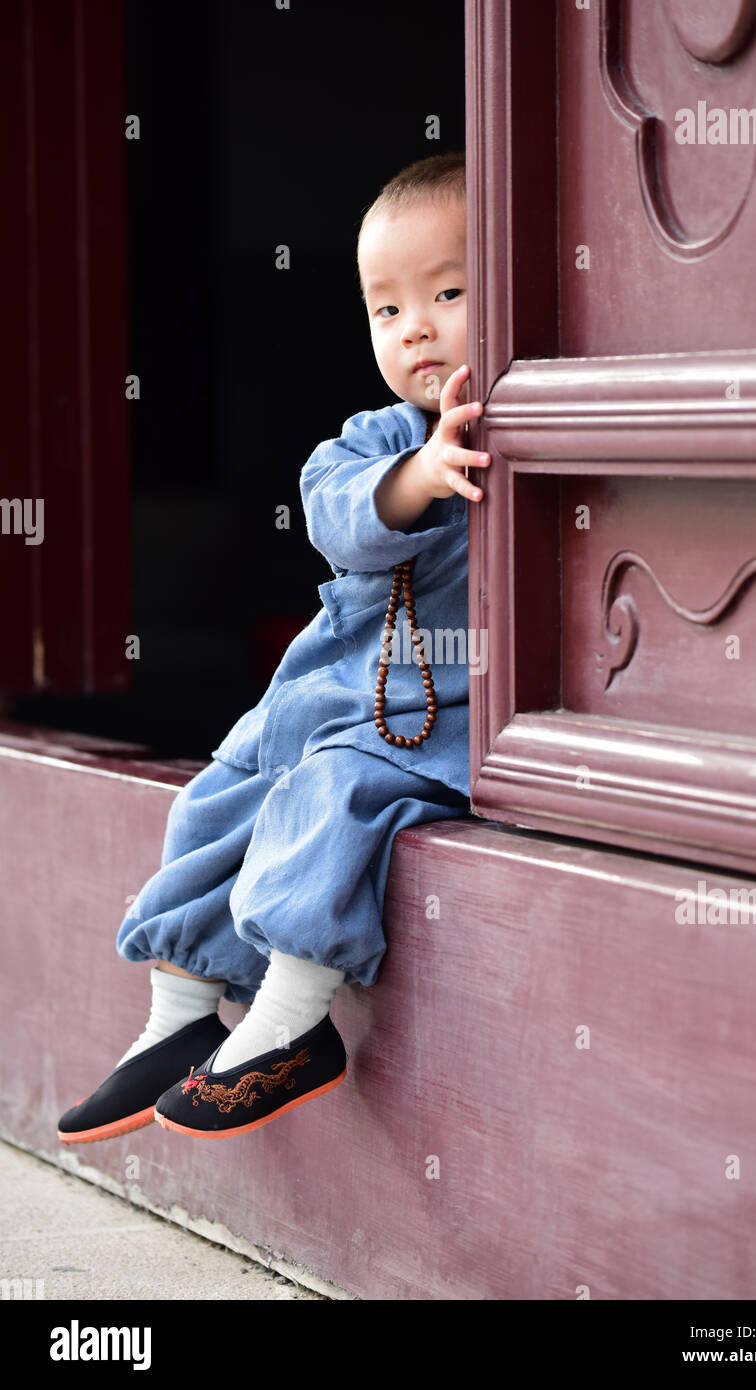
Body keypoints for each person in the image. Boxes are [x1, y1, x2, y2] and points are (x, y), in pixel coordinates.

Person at [57, 150, 491, 1142]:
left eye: (450, 291)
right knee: (215, 798)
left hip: (422, 728)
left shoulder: (531, 432)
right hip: (317, 701)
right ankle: (177, 1016)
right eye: (385, 310)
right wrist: (416, 476)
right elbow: (338, 514)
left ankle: (293, 1022)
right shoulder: (373, 440)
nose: (415, 325)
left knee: (327, 798)